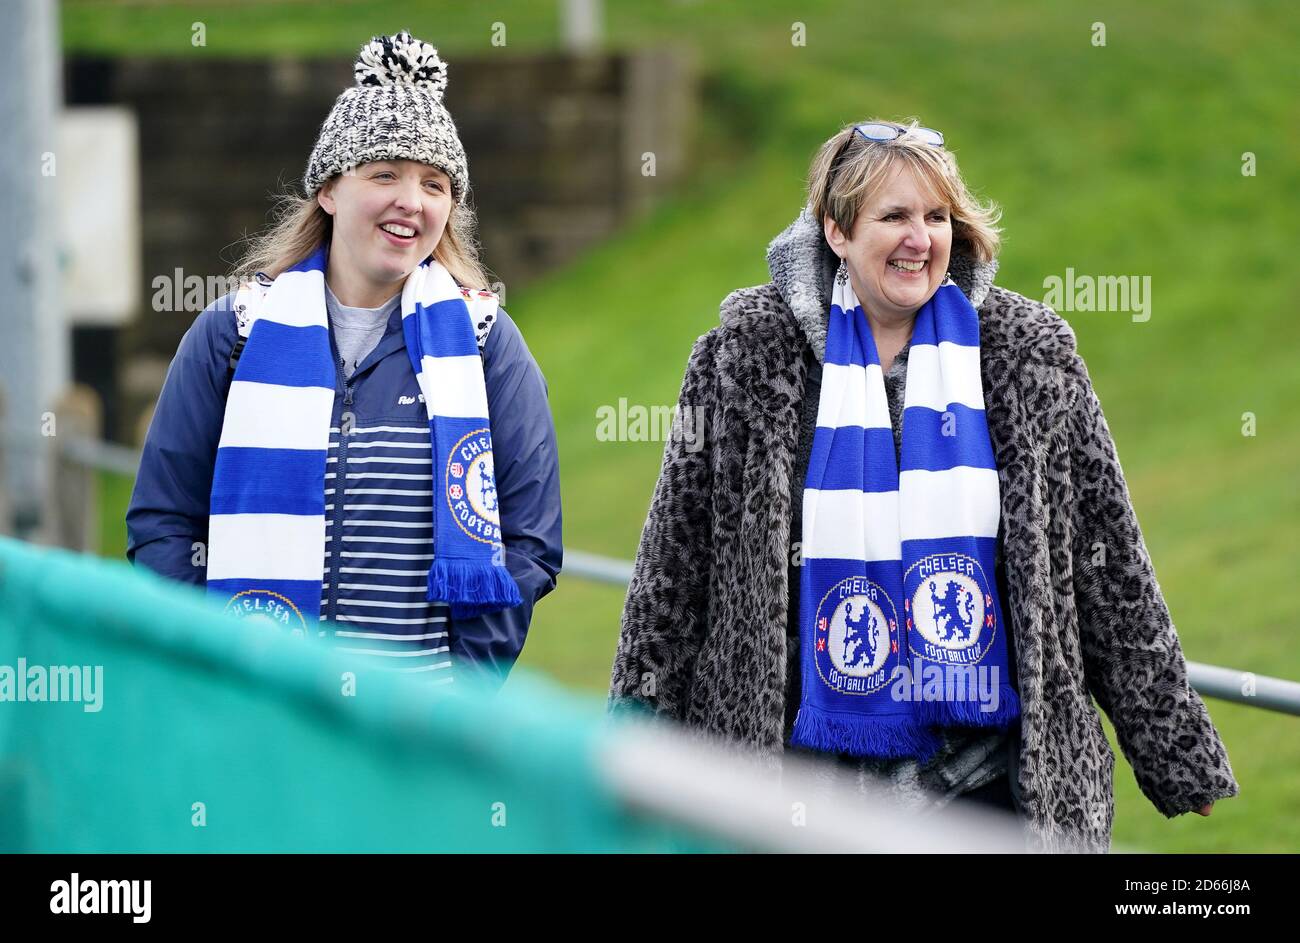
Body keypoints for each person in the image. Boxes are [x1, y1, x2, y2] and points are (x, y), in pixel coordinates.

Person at [609, 118, 1237, 852]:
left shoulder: (1027, 355)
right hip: (798, 788)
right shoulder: (743, 360)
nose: (921, 238)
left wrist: (1175, 753)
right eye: (895, 216)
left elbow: (1111, 566)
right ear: (836, 231)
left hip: (987, 786)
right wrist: (633, 748)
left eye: (936, 216)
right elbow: (672, 574)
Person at [127, 31, 562, 688]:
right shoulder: (233, 334)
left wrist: (464, 685)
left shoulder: (486, 344)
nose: (410, 202)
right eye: (384, 174)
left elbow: (528, 539)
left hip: (416, 731)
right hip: (260, 712)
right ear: (328, 191)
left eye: (434, 183)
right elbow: (164, 520)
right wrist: (212, 665)